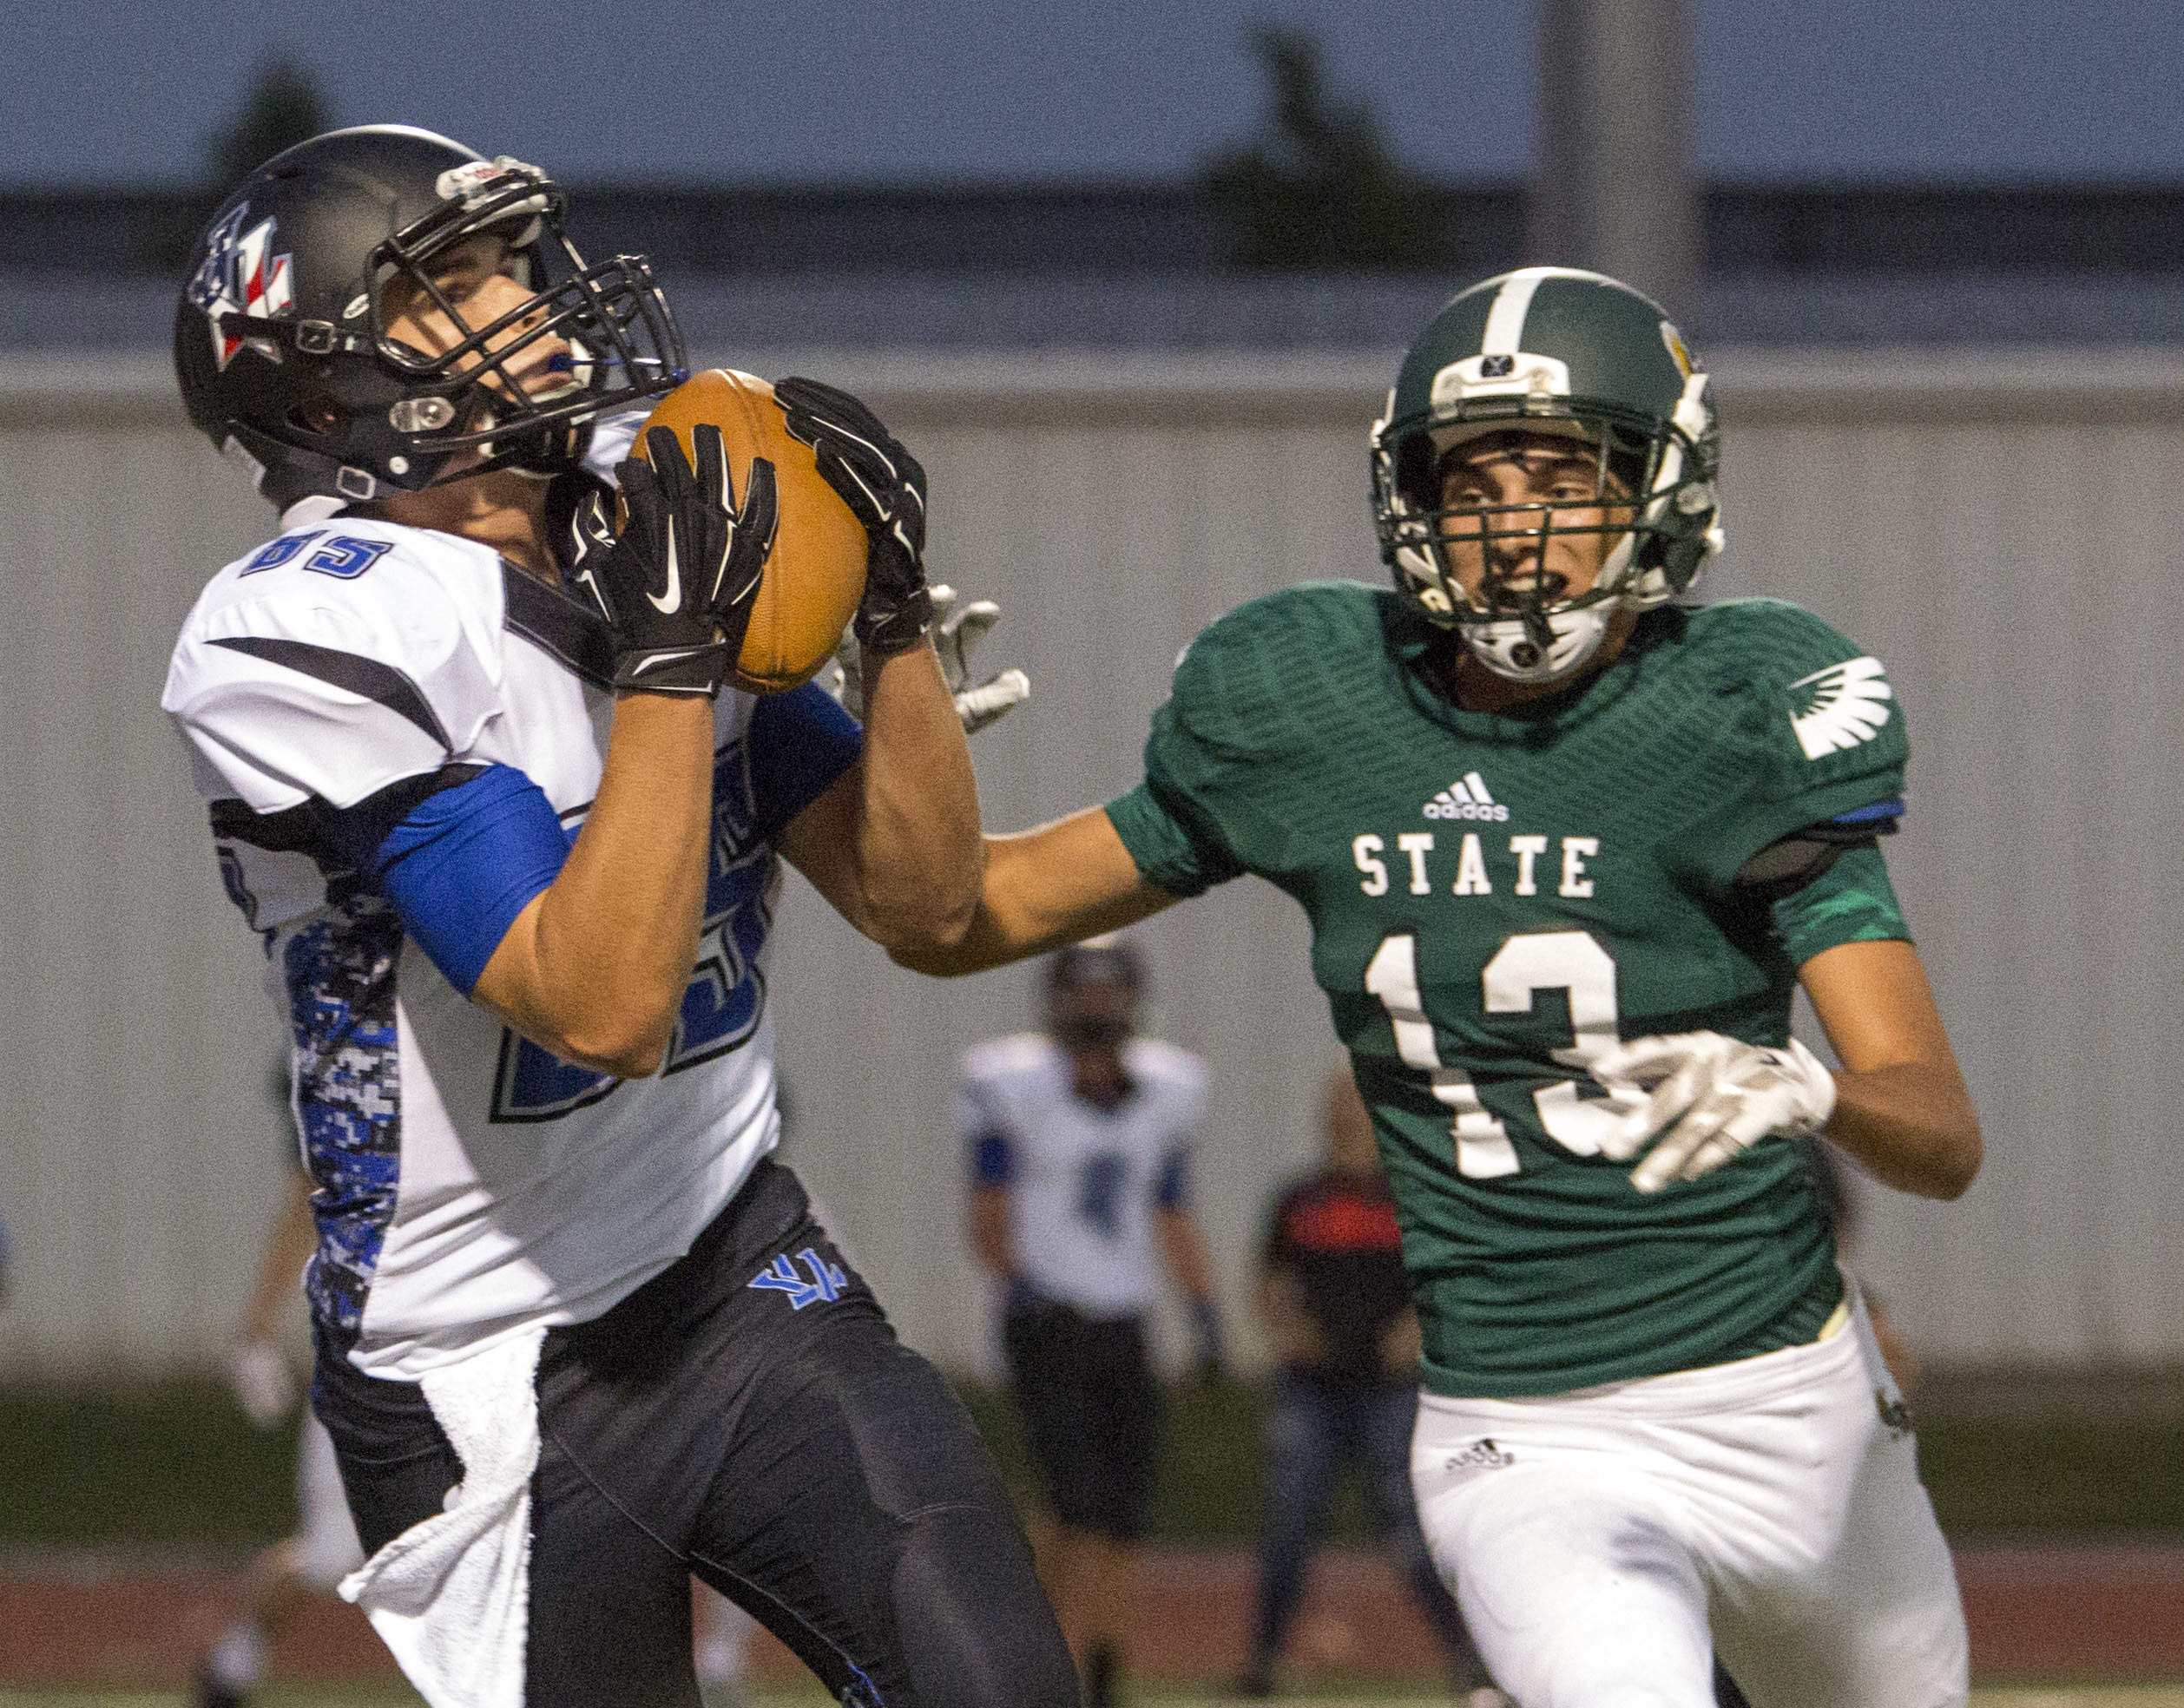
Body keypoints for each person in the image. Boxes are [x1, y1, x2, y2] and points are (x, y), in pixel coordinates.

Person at [897, 266, 1984, 1707]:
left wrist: (1812, 1089)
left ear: (1658, 487)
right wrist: (870, 726)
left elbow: (1941, 1133)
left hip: (1792, 1401)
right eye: (1474, 481)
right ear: (1412, 501)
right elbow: (957, 914)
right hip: (1520, 1421)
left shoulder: (1741, 711)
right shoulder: (1315, 702)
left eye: (1562, 474)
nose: (1516, 525)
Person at [163, 125, 1074, 1708]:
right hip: (480, 1361)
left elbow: (923, 902)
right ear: (325, 398)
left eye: (510, 258)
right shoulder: (300, 629)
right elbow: (597, 1000)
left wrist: (886, 618)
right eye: (451, 284)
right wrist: (672, 659)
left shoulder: (625, 510)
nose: (525, 299)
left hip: (729, 1261)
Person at [957, 940, 1226, 1708]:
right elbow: (988, 1208)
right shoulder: (1011, 1083)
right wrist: (1016, 1284)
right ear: (1059, 999)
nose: (1099, 1010)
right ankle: (1042, 1669)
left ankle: (1102, 1676)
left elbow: (1173, 1209)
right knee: (1073, 1508)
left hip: (1123, 1319)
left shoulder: (1168, 1090)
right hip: (1050, 1318)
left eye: (1110, 995)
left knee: (1121, 1516)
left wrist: (1204, 1312)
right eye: (1086, 994)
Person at [1244, 1065, 1503, 1707]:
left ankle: (1469, 1665)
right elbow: (1269, 1279)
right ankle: (1262, 1664)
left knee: (1417, 1537)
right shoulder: (1300, 1198)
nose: (1347, 1115)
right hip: (1313, 1389)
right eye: (1338, 1102)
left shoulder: (1410, 1196)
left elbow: (1443, 1279)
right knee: (1289, 1527)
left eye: (1358, 1102)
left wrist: (1415, 1333)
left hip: (1392, 1392)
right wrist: (1285, 1328)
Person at [195, 1169, 368, 1708]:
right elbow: (304, 1206)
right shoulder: (366, 1102)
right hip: (367, 1368)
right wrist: (254, 1332)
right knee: (333, 1553)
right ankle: (231, 1669)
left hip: (475, 1360)